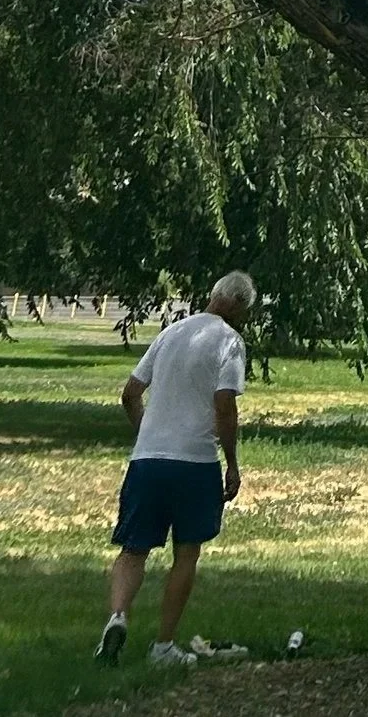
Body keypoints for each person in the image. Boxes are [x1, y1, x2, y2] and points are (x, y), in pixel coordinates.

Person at [94, 271, 253, 666]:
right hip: (194, 462)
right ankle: (163, 646)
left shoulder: (171, 333)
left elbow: (130, 393)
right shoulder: (229, 342)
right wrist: (231, 462)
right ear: (236, 306)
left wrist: (146, 431)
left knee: (133, 550)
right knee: (186, 553)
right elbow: (224, 404)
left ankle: (117, 617)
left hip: (147, 460)